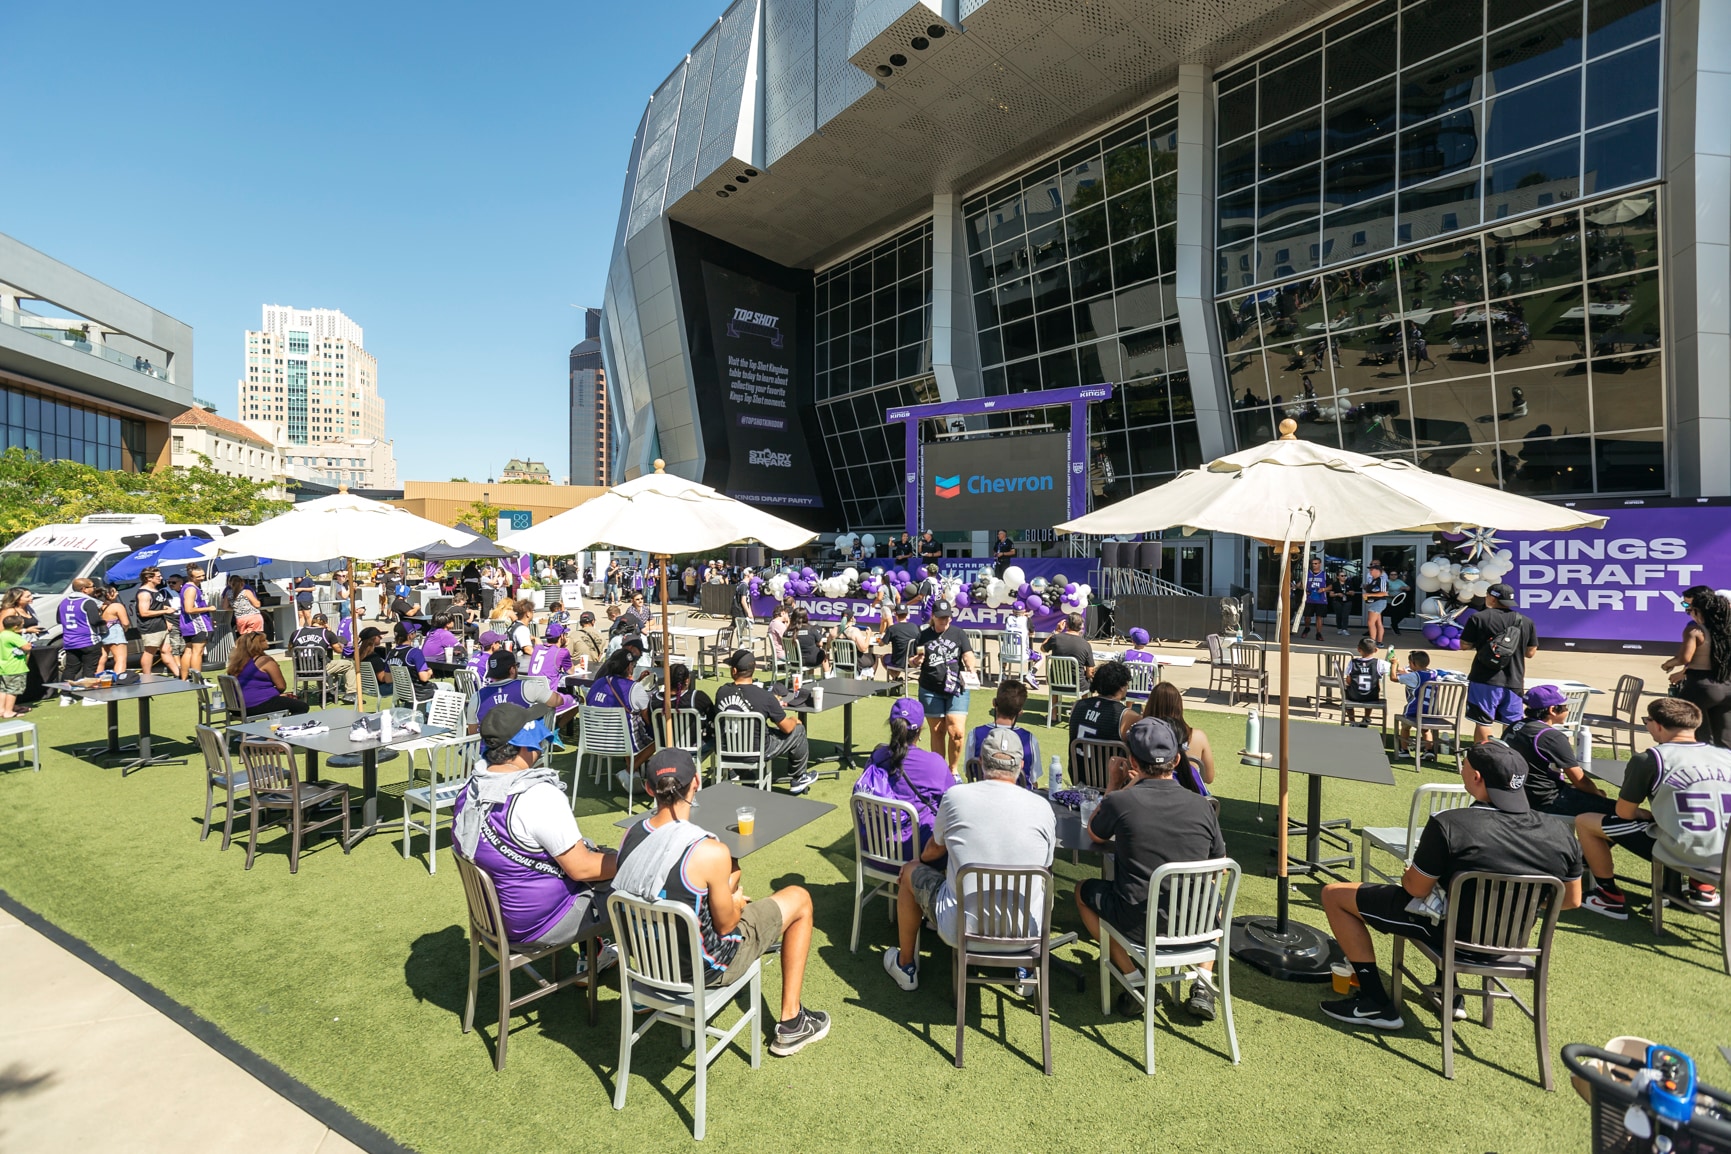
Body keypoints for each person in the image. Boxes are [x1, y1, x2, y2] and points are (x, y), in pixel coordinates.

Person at [1319, 743, 1582, 1030]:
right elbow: (1571, 900)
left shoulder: (1450, 824)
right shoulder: (1561, 833)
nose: (1461, 769)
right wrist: (1520, 900)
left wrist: (1410, 875)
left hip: (1450, 937)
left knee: (1334, 896)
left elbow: (1415, 889)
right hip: (1513, 945)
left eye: (1464, 765)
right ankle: (1449, 992)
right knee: (1453, 897)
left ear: (1476, 777)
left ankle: (1374, 1002)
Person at [613, 748, 830, 1056]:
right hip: (704, 970)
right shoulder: (709, 851)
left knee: (730, 874)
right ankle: (792, 1022)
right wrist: (735, 900)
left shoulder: (630, 836)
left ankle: (648, 997)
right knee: (800, 899)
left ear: (649, 789)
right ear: (696, 783)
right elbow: (727, 925)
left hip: (648, 965)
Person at [882, 727, 1056, 993]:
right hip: (1026, 934)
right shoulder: (1043, 808)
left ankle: (905, 965)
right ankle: (1027, 970)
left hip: (961, 929)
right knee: (1042, 885)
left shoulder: (957, 797)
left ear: (981, 762)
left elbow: (934, 850)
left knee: (910, 871)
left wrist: (921, 861)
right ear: (1021, 766)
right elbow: (1045, 868)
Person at [1075, 717, 1227, 1020]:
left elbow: (1094, 832)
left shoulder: (1121, 801)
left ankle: (1135, 979)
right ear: (1177, 760)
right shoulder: (1203, 805)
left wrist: (1115, 784)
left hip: (1137, 921)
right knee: (1214, 898)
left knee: (1082, 891)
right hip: (1195, 922)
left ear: (1133, 760)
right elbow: (1220, 866)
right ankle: (1203, 982)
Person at [451, 702, 619, 952]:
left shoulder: (470, 789)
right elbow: (581, 868)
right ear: (524, 744)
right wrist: (631, 860)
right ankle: (655, 964)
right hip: (539, 925)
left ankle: (594, 953)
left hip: (494, 919)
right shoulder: (536, 795)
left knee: (593, 850)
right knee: (637, 879)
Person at [1576, 697, 1731, 919]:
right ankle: (1703, 889)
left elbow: (1624, 813)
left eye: (1647, 721)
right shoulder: (1726, 755)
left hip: (1685, 851)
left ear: (1657, 725)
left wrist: (1645, 814)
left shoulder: (1650, 759)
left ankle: (1608, 897)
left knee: (1585, 821)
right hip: (1725, 854)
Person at [854, 697, 958, 862]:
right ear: (920, 730)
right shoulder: (933, 763)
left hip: (874, 853)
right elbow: (954, 804)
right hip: (918, 857)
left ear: (892, 726)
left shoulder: (877, 757)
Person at [1503, 685, 1616, 818]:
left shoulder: (1514, 727)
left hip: (1517, 793)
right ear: (1552, 710)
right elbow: (1580, 781)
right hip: (1545, 800)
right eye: (1565, 707)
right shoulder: (1552, 737)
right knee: (1618, 811)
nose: (1568, 710)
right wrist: (1598, 794)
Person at [715, 650, 816, 794]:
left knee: (753, 733)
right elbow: (787, 728)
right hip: (757, 751)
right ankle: (798, 778)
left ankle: (742, 773)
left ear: (734, 670)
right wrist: (794, 720)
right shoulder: (765, 696)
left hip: (726, 750)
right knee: (798, 731)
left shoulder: (721, 692)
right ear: (753, 670)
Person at [1459, 582, 1539, 742]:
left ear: (1492, 598)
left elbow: (1464, 645)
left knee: (1483, 721)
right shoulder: (1526, 621)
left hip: (1484, 679)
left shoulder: (1478, 618)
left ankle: (1483, 754)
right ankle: (1508, 754)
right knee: (1512, 724)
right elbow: (1530, 652)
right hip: (1514, 680)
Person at [908, 599, 976, 775]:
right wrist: (916, 661)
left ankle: (953, 770)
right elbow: (912, 660)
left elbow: (968, 654)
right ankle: (939, 771)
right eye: (941, 617)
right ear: (933, 616)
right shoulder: (923, 635)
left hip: (956, 688)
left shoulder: (958, 633)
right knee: (938, 731)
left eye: (947, 617)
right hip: (930, 689)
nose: (944, 620)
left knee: (957, 732)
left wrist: (971, 666)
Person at [1664, 586, 1731, 748]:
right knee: (1725, 739)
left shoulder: (1695, 630)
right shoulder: (1726, 631)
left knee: (1695, 733)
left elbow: (1685, 658)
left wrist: (1668, 664)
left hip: (1701, 686)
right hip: (1727, 685)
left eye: (1690, 610)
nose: (1689, 613)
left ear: (1699, 611)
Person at [965, 680, 1042, 788]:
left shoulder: (975, 734)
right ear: (1020, 711)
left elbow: (969, 772)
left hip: (982, 794)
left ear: (994, 703)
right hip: (1019, 796)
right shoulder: (1030, 739)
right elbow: (1033, 780)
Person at [585, 648, 654, 764]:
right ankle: (631, 769)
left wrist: (637, 681)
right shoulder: (634, 688)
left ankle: (632, 767)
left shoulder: (598, 683)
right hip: (622, 742)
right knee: (659, 736)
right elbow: (647, 717)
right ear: (629, 667)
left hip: (595, 740)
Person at [1146, 681, 1215, 795]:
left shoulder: (1141, 736)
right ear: (1178, 706)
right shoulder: (1198, 736)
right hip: (1191, 798)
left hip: (1150, 796)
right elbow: (1209, 777)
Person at [225, 632, 309, 716]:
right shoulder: (265, 661)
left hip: (237, 707)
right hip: (256, 704)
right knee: (302, 706)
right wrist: (276, 695)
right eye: (264, 640)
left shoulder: (237, 662)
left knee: (283, 701)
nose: (267, 641)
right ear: (257, 644)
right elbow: (281, 686)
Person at [1069, 659, 1136, 754]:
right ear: (1122, 686)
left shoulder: (1077, 705)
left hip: (1077, 763)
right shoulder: (1126, 715)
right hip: (1110, 763)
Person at [56, 577, 103, 704]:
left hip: (70, 641)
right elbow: (95, 621)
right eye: (92, 586)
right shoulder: (88, 602)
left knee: (70, 669)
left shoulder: (63, 602)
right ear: (84, 589)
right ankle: (89, 697)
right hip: (88, 640)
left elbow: (59, 620)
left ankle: (65, 696)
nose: (94, 588)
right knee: (89, 669)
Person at [291, 613, 355, 703]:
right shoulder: (326, 633)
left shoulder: (296, 633)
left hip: (301, 670)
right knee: (349, 664)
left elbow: (290, 649)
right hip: (320, 669)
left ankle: (325, 693)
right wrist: (331, 634)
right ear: (325, 623)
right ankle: (351, 693)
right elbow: (339, 650)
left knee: (320, 662)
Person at [652, 663, 716, 751]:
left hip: (664, 748)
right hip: (692, 748)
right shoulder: (697, 697)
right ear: (687, 680)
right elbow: (713, 716)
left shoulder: (655, 700)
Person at [1390, 650, 1443, 756]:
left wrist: (1394, 664)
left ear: (1413, 664)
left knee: (1405, 727)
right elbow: (1418, 676)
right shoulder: (1434, 673)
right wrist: (1406, 673)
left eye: (1409, 663)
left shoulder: (1414, 676)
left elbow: (1394, 678)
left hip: (1414, 711)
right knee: (1425, 730)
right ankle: (1429, 751)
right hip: (1430, 712)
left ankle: (1404, 750)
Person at [133, 567, 179, 678]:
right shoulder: (144, 593)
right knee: (150, 652)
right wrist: (165, 611)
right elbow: (144, 612)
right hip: (150, 627)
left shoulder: (155, 590)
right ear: (149, 578)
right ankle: (147, 677)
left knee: (167, 650)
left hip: (161, 625)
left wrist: (165, 613)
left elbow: (155, 606)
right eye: (158, 576)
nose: (161, 578)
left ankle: (180, 675)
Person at [178, 564, 216, 679]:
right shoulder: (191, 589)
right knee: (197, 652)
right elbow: (189, 609)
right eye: (198, 576)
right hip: (196, 624)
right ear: (190, 577)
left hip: (188, 624)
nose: (202, 578)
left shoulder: (189, 587)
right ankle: (197, 680)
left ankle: (184, 679)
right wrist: (208, 608)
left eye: (203, 575)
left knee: (189, 650)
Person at [388, 623, 435, 705]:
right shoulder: (415, 652)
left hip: (402, 693)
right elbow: (424, 678)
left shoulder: (390, 653)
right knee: (448, 687)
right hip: (420, 693)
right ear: (410, 636)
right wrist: (429, 672)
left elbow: (388, 679)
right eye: (414, 632)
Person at [0, 613, 30, 717]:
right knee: (13, 690)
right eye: (22, 624)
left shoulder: (2, 634)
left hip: (3, 667)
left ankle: (2, 709)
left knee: (3, 689)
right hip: (15, 667)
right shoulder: (13, 636)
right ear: (15, 627)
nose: (23, 626)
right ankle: (8, 712)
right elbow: (27, 647)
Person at [95, 586, 130, 676]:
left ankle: (97, 678)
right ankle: (119, 678)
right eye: (114, 592)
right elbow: (125, 623)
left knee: (102, 658)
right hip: (115, 633)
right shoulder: (117, 606)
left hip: (100, 633)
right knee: (120, 659)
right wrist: (125, 629)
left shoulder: (97, 607)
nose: (117, 593)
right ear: (108, 594)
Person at [880, 604, 921, 679]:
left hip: (899, 662)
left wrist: (881, 638)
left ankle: (895, 678)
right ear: (907, 614)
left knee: (883, 656)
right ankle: (896, 678)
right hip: (913, 661)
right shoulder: (914, 626)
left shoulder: (892, 628)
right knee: (896, 657)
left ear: (895, 614)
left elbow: (881, 644)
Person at [789, 607, 831, 676]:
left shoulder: (787, 631)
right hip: (811, 660)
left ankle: (810, 677)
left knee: (813, 651)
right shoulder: (811, 629)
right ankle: (828, 678)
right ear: (806, 617)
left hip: (794, 661)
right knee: (822, 654)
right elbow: (820, 644)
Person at [1361, 559, 1390, 648]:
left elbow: (1384, 593)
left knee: (1371, 622)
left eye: (1372, 569)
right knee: (1378, 622)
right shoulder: (1374, 580)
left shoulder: (1382, 580)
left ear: (1378, 571)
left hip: (1378, 602)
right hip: (1374, 602)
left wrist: (1369, 594)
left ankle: (1372, 642)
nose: (1370, 571)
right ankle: (1379, 642)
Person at [1300, 555, 1329, 641]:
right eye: (1312, 563)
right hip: (1309, 599)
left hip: (1321, 599)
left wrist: (1323, 589)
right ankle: (1307, 627)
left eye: (1316, 563)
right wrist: (1304, 590)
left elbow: (1331, 586)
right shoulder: (1307, 574)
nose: (1314, 565)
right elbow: (1301, 585)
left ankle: (1318, 633)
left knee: (1319, 617)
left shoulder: (1324, 574)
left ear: (1320, 564)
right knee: (1307, 616)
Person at [1327, 566, 1354, 636]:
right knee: (1339, 615)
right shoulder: (1335, 584)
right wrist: (1337, 594)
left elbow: (1353, 592)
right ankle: (1339, 628)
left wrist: (1350, 593)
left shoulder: (1349, 583)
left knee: (1345, 615)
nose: (1344, 577)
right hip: (1337, 601)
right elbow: (1331, 594)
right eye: (1342, 576)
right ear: (1338, 577)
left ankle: (1344, 629)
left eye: (1345, 575)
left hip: (1347, 601)